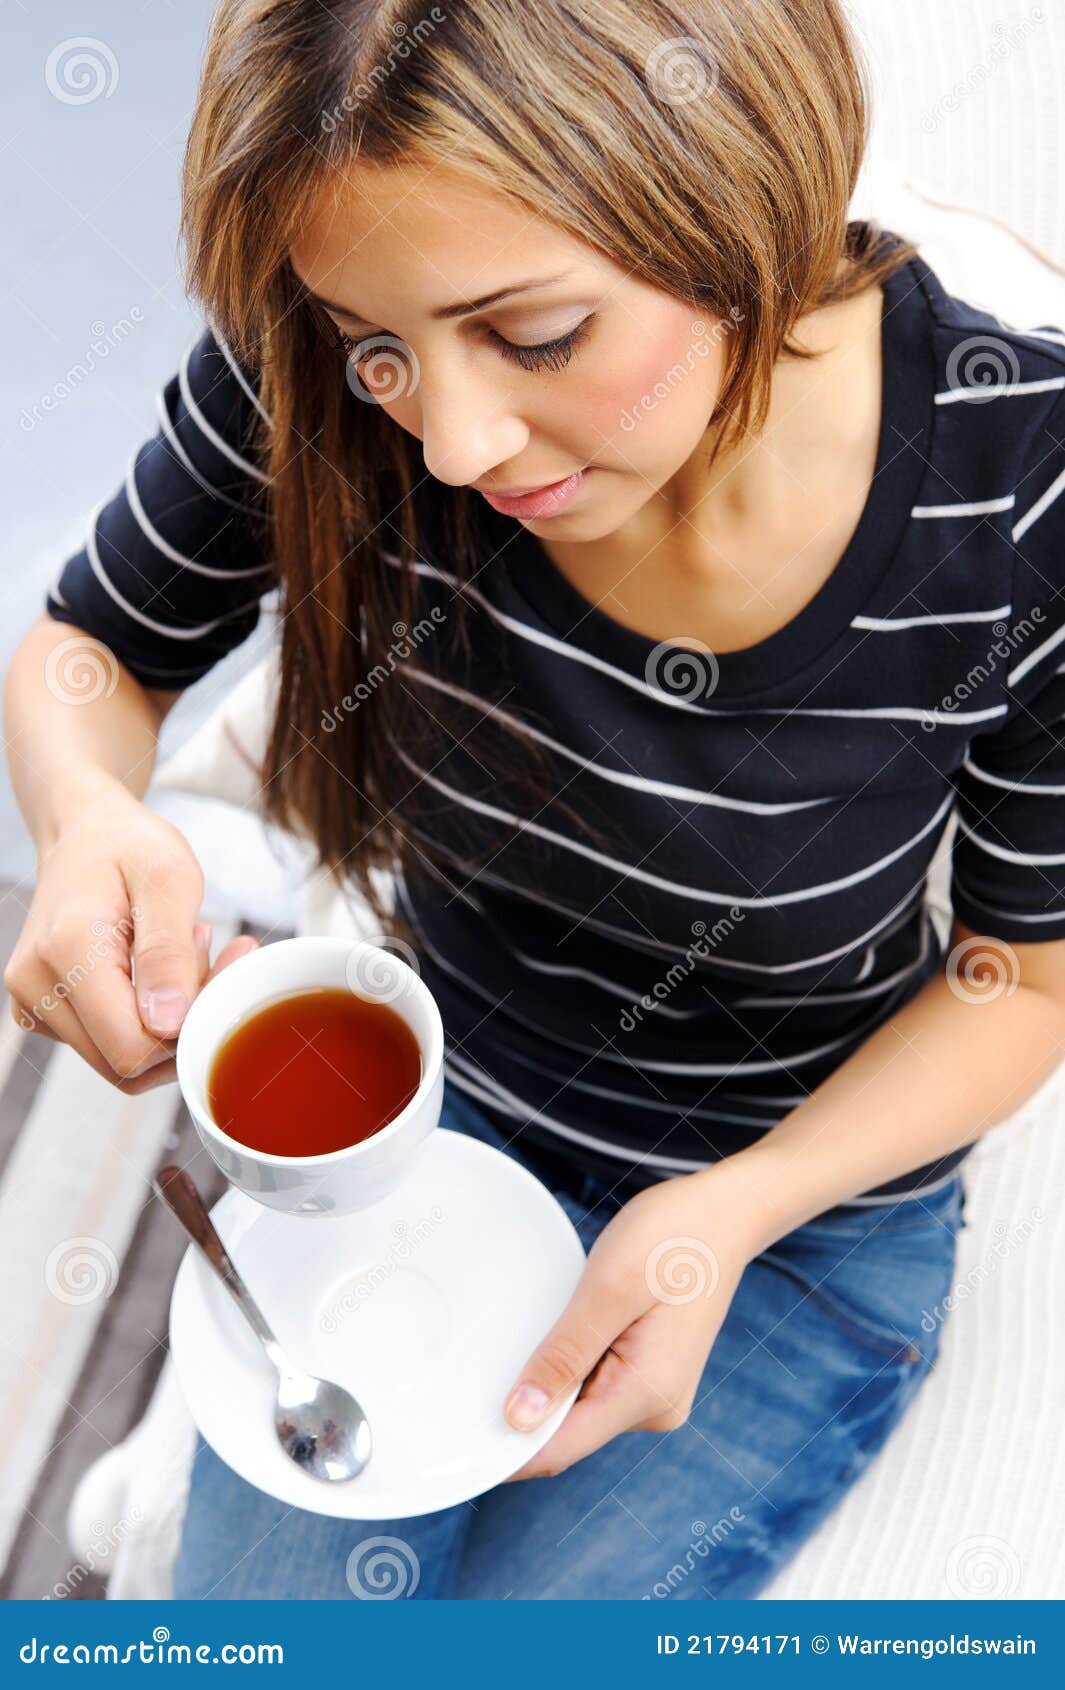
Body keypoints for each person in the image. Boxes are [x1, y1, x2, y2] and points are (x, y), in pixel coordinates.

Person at [6, 0, 1065, 1600]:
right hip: (425, 1117)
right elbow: (92, 649)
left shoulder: (1021, 490)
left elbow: (1022, 981)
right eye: (376, 346)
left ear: (737, 193)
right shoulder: (333, 356)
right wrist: (86, 814)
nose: (452, 445)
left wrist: (731, 1210)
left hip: (794, 1219)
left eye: (538, 335)